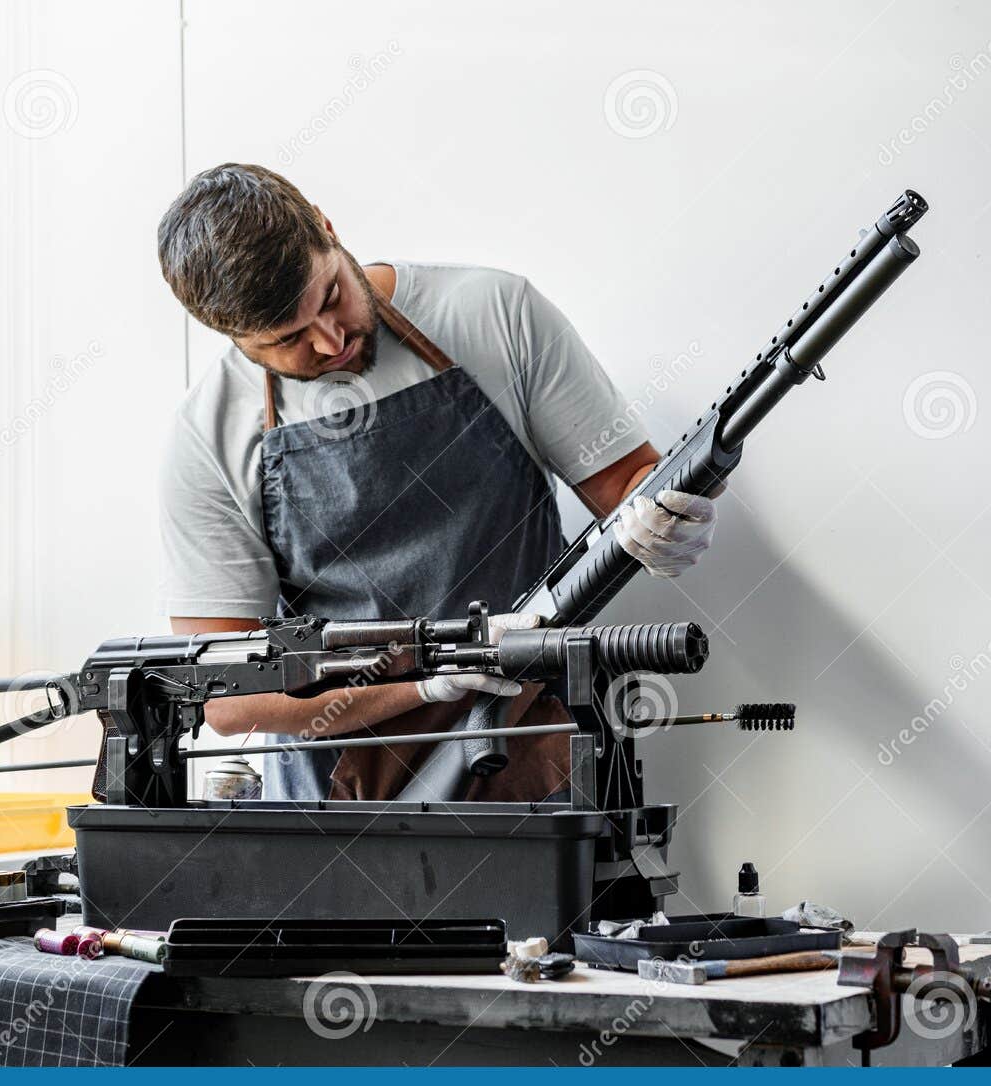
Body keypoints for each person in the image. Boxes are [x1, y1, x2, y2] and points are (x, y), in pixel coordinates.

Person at [154, 163, 718, 801]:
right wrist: (428, 684)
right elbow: (230, 702)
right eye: (289, 340)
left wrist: (670, 516)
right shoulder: (209, 438)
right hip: (340, 804)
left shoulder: (496, 315)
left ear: (328, 229)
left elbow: (633, 489)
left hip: (539, 758)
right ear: (231, 336)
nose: (332, 339)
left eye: (332, 295)